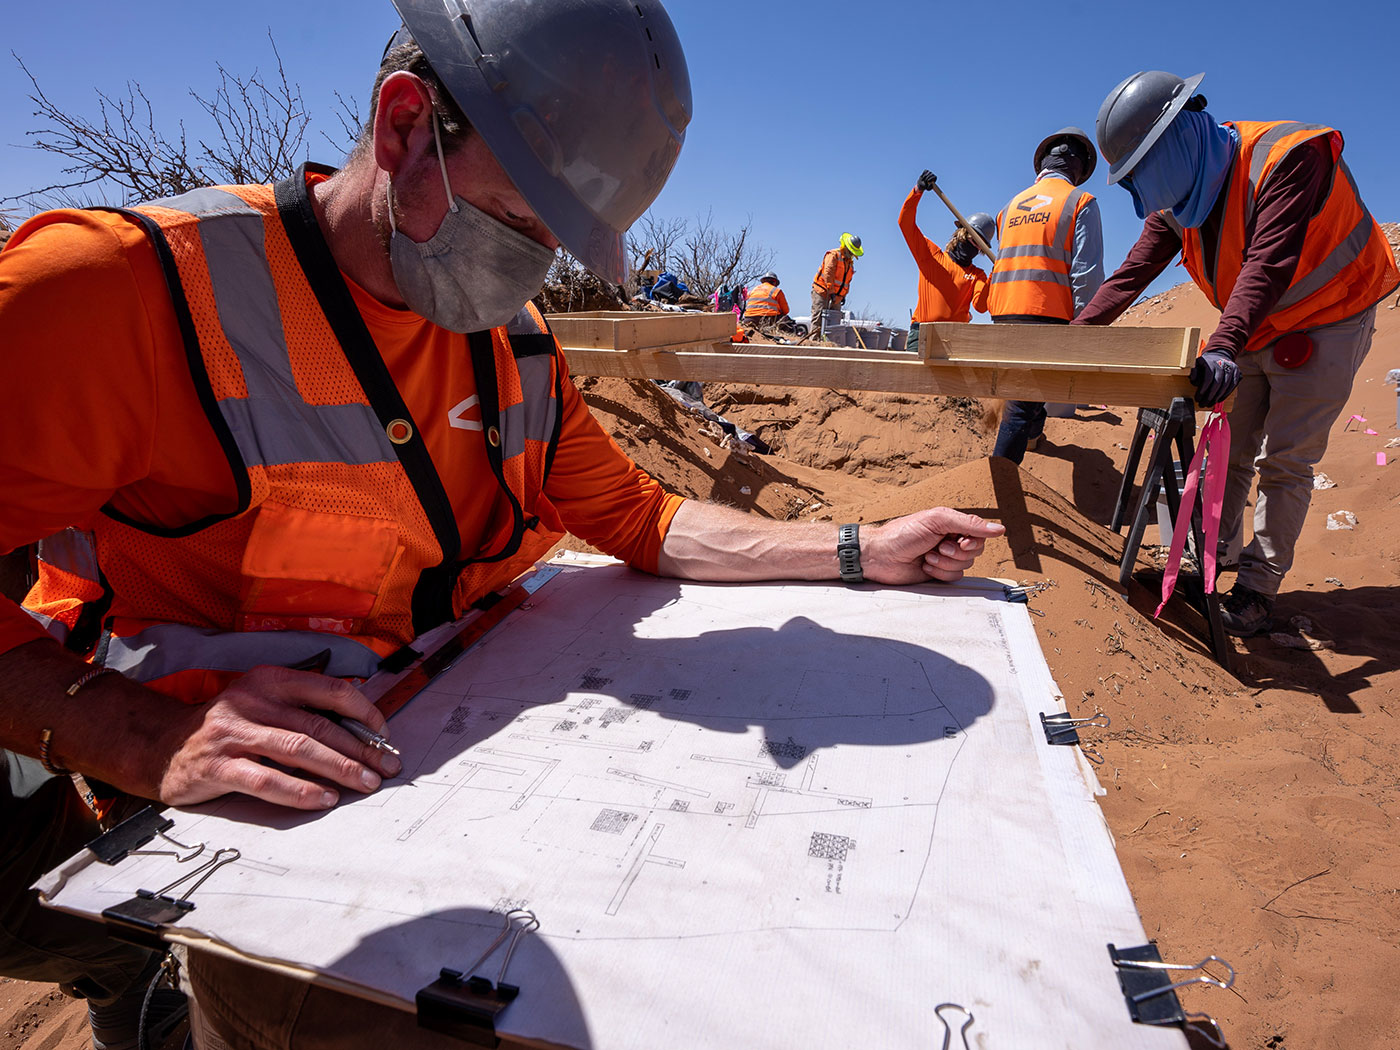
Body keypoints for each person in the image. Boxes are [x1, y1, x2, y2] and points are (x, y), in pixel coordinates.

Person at [0, 1, 1005, 1045]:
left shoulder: (512, 348)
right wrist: (139, 733)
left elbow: (640, 517)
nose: (532, 276)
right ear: (402, 127)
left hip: (436, 795)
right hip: (245, 844)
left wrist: (856, 548)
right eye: (519, 226)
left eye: (560, 244)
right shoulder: (121, 293)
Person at [1074, 70, 1399, 637]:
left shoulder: (1289, 157)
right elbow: (1130, 276)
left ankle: (1255, 590)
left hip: (1328, 317)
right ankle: (1208, 565)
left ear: (1173, 140)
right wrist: (1072, 338)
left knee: (1286, 460)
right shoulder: (1183, 196)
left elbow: (1267, 263)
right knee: (1229, 450)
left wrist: (1223, 345)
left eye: (1136, 177)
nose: (1138, 197)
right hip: (1252, 329)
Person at [989, 127, 1104, 462]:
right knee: (1021, 404)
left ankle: (1033, 440)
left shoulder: (1009, 207)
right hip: (1046, 315)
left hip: (1002, 313)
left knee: (1026, 392)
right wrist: (1086, 328)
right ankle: (1000, 480)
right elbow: (1087, 275)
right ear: (1079, 170)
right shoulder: (1081, 202)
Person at [898, 170, 993, 353]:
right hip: (922, 335)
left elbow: (981, 306)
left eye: (979, 246)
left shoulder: (977, 275)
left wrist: (994, 274)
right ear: (961, 234)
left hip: (955, 339)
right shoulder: (931, 255)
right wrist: (917, 191)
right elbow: (905, 223)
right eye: (972, 239)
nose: (973, 248)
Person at [811, 232, 863, 340]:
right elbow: (828, 273)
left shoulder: (849, 263)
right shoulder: (833, 255)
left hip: (837, 296)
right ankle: (814, 341)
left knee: (834, 320)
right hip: (822, 290)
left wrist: (842, 295)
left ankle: (829, 342)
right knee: (819, 316)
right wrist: (831, 292)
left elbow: (846, 281)